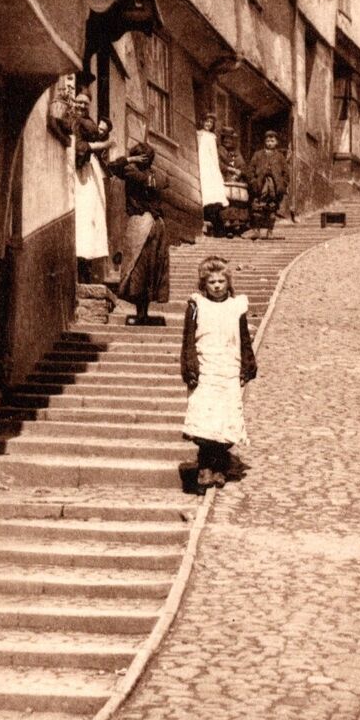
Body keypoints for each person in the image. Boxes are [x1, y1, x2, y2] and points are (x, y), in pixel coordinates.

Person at [181, 256, 257, 490]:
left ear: (228, 283)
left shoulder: (236, 307)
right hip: (206, 367)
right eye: (211, 282)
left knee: (225, 417)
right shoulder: (197, 306)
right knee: (205, 418)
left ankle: (219, 467)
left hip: (228, 367)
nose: (216, 286)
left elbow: (243, 337)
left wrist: (248, 364)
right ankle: (205, 467)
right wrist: (189, 366)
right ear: (204, 284)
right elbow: (188, 339)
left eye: (221, 281)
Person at [106, 141, 170, 326]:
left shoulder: (131, 172)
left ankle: (142, 314)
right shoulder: (156, 175)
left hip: (142, 223)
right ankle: (143, 313)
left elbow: (113, 167)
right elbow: (165, 181)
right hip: (156, 223)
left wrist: (129, 159)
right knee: (148, 269)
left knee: (139, 269)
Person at [73, 93, 112, 276]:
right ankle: (82, 262)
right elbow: (79, 147)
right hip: (79, 172)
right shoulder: (75, 121)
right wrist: (103, 145)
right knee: (83, 215)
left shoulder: (87, 123)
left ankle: (86, 263)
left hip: (87, 171)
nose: (82, 106)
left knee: (91, 216)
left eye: (86, 103)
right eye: (79, 102)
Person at [248, 130, 289, 239]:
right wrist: (253, 182)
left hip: (274, 187)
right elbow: (251, 170)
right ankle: (256, 231)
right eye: (268, 141)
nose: (270, 143)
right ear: (265, 142)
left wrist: (283, 184)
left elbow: (286, 173)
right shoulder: (258, 155)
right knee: (258, 208)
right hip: (260, 185)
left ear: (276, 142)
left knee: (272, 208)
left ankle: (270, 231)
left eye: (272, 141)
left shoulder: (280, 156)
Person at [197, 112, 229, 237]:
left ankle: (217, 228)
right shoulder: (197, 134)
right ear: (202, 121)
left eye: (211, 122)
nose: (208, 124)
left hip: (209, 165)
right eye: (207, 121)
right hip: (200, 162)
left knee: (212, 192)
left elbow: (214, 155)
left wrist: (216, 169)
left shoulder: (212, 136)